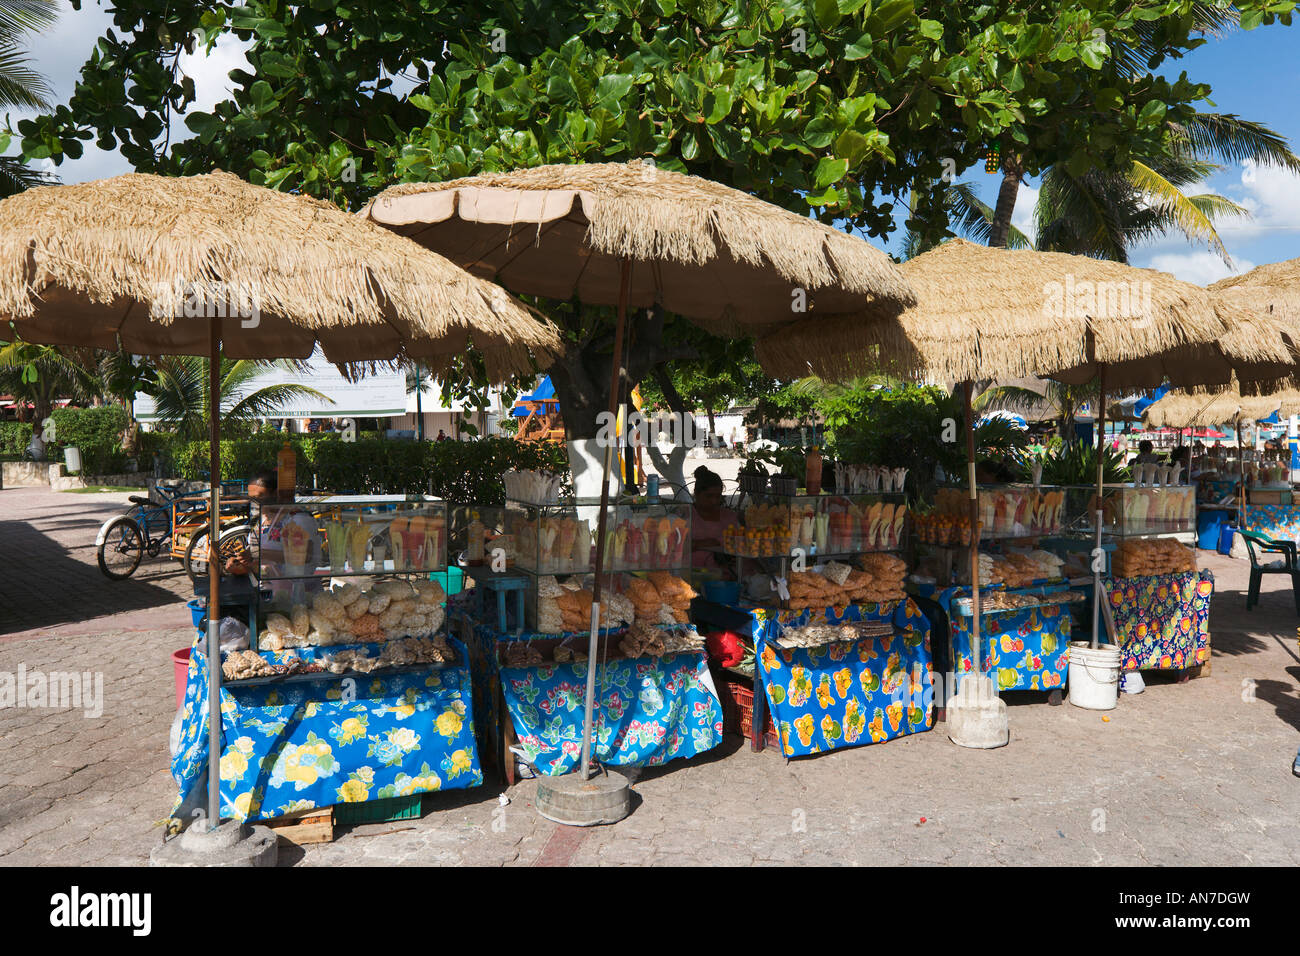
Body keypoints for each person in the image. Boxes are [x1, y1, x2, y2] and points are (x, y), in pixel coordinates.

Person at [690, 466, 738, 573]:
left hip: (729, 575)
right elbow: (671, 547)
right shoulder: (684, 516)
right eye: (709, 496)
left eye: (717, 496)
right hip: (694, 575)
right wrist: (699, 544)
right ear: (696, 493)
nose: (714, 501)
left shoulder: (730, 517)